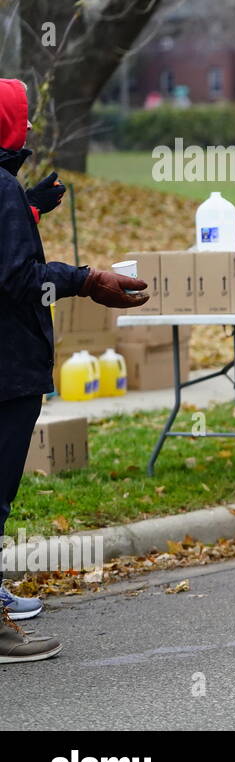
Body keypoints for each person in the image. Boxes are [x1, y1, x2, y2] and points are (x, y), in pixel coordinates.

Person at [0, 77, 149, 663]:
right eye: (23, 116)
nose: (31, 126)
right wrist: (86, 280)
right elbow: (15, 278)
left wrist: (28, 207)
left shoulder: (8, 194)